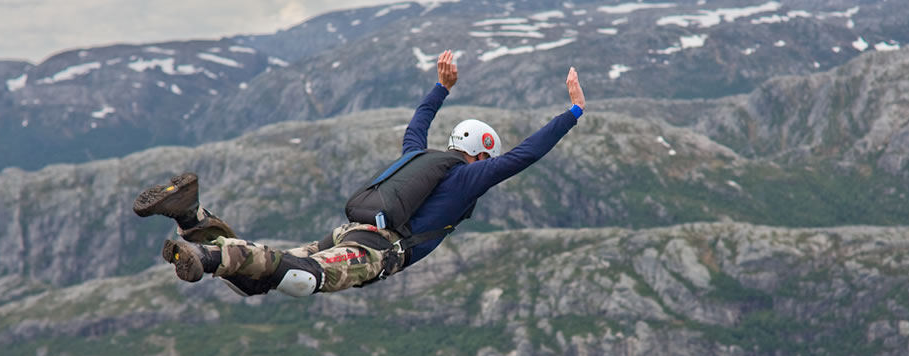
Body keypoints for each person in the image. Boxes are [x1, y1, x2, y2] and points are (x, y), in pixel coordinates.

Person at [133, 50, 586, 297]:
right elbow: (526, 154)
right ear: (482, 156)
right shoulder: (468, 178)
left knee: (259, 282)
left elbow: (417, 123)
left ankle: (193, 222)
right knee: (302, 277)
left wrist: (441, 88)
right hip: (378, 250)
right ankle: (209, 256)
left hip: (348, 231)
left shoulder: (420, 158)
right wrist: (573, 112)